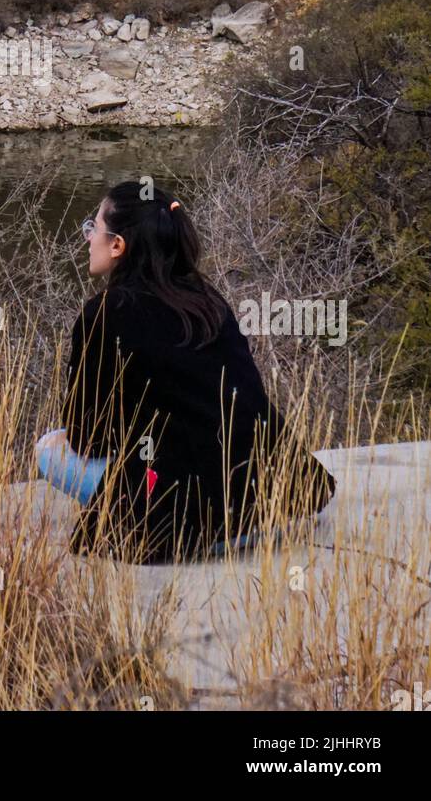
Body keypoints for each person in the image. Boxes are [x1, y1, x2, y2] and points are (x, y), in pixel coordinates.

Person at [55, 181, 336, 564]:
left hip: (185, 525)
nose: (88, 239)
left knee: (49, 449)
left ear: (117, 245)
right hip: (279, 502)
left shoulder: (106, 312)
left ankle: (168, 520)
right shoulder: (207, 301)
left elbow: (86, 438)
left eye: (93, 229)